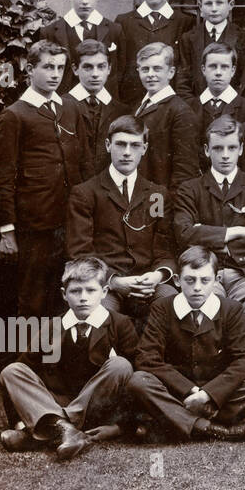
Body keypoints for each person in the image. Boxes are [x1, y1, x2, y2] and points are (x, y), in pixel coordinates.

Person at [127, 246, 245, 443]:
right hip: (179, 394)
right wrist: (190, 391)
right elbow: (147, 358)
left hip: (217, 397)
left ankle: (177, 421)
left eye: (205, 280)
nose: (197, 287)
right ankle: (215, 429)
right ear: (178, 281)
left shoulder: (230, 309)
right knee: (139, 381)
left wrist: (208, 394)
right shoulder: (162, 307)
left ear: (216, 280)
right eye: (190, 280)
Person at [0, 256, 136, 461]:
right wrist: (18, 421)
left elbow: (136, 378)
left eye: (90, 290)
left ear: (104, 292)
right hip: (55, 401)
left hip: (96, 409)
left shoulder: (119, 324)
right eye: (75, 291)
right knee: (12, 371)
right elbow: (24, 371)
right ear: (64, 294)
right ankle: (63, 430)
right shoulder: (53, 327)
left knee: (121, 365)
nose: (83, 298)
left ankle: (46, 432)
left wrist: (118, 426)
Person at [173, 116, 245, 365]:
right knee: (204, 307)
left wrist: (209, 234)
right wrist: (235, 232)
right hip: (205, 269)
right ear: (207, 150)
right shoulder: (190, 189)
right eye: (218, 148)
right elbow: (185, 233)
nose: (225, 155)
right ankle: (214, 377)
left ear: (241, 149)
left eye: (232, 148)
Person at [0, 40, 83, 318]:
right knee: (32, 295)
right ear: (30, 70)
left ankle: (61, 356)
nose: (55, 74)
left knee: (69, 292)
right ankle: (28, 358)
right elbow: (1, 176)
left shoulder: (70, 107)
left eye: (60, 68)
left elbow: (82, 161)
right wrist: (7, 229)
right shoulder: (14, 115)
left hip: (69, 220)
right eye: (47, 67)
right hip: (34, 223)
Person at [65, 114, 177, 330]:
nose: (127, 152)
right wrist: (113, 281)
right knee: (98, 313)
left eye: (135, 145)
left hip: (149, 284)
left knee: (173, 303)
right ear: (108, 145)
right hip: (106, 284)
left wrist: (157, 275)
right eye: (120, 144)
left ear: (144, 149)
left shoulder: (156, 195)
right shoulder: (86, 193)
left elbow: (164, 247)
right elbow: (79, 253)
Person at [114, 0, 193, 106]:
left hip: (170, 103)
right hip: (132, 102)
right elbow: (118, 68)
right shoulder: (124, 21)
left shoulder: (185, 22)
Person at [39, 0, 120, 92]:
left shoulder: (115, 29)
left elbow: (120, 71)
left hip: (104, 106)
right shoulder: (49, 32)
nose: (85, 1)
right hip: (65, 105)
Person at [130, 42, 200, 190]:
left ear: (171, 72)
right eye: (145, 69)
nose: (150, 75)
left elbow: (185, 171)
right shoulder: (138, 106)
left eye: (157, 69)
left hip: (161, 198)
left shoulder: (180, 111)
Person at [188, 43, 245, 167]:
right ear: (203, 69)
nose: (218, 72)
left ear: (233, 70)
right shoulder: (190, 107)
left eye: (224, 67)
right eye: (213, 66)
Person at [67, 37, 127, 179]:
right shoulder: (61, 106)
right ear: (75, 69)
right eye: (88, 67)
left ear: (109, 69)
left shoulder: (121, 111)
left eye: (101, 66)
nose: (95, 74)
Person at [175, 0, 245, 101]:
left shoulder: (243, 37)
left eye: (219, 3)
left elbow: (244, 79)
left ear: (230, 5)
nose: (214, 9)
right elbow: (183, 82)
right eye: (208, 3)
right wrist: (194, 108)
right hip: (197, 110)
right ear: (200, 6)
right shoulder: (188, 38)